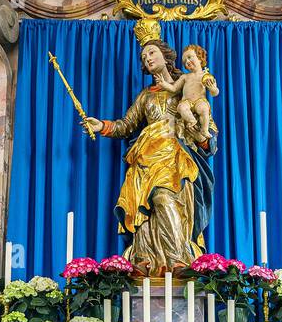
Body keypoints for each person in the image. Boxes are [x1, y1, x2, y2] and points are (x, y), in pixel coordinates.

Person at [83, 35, 216, 275]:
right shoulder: (145, 96)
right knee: (144, 207)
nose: (147, 57)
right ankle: (146, 258)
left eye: (152, 52)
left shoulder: (185, 87)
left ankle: (179, 259)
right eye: (144, 56)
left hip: (175, 157)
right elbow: (126, 125)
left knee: (163, 198)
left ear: (165, 56)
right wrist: (101, 126)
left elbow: (206, 127)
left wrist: (203, 137)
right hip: (146, 156)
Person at [167, 43, 219, 144]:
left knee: (203, 109)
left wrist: (213, 89)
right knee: (181, 108)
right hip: (186, 102)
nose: (187, 61)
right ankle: (191, 120)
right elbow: (173, 88)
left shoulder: (206, 76)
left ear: (199, 58)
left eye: (190, 57)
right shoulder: (185, 77)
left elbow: (214, 92)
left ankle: (204, 129)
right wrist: (163, 83)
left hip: (200, 101)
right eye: (184, 61)